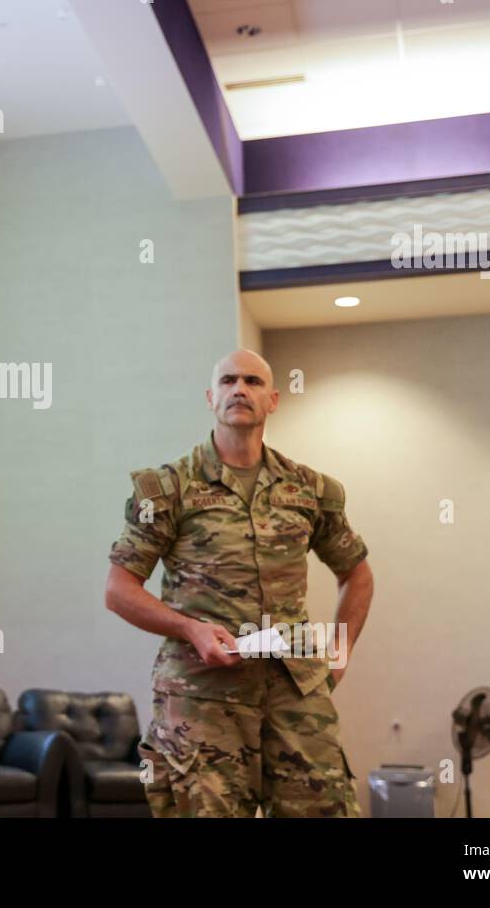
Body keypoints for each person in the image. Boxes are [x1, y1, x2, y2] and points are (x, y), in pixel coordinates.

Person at [105, 349, 373, 817]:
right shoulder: (169, 488)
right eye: (228, 381)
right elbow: (119, 589)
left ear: (272, 400)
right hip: (202, 696)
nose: (239, 390)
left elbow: (357, 574)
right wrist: (191, 629)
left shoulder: (309, 489)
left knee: (324, 809)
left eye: (252, 381)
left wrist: (339, 651)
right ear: (211, 397)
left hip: (295, 688)